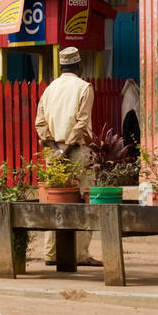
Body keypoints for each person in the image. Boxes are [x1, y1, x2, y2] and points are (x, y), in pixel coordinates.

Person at [34, 46, 101, 266]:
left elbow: (40, 123)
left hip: (53, 152)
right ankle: (80, 254)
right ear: (79, 65)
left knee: (54, 201)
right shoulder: (84, 87)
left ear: (62, 66)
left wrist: (55, 149)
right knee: (83, 199)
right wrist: (67, 150)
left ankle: (51, 253)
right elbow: (82, 124)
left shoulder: (50, 89)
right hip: (76, 151)